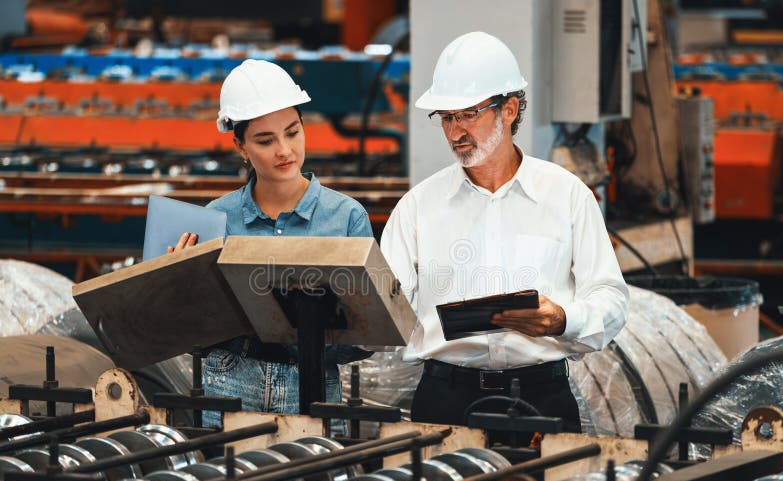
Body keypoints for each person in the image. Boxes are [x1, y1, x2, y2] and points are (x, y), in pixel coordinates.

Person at [380, 32, 629, 434]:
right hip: (445, 398)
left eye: (468, 114)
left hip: (541, 396)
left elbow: (611, 297)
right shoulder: (417, 207)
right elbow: (388, 307)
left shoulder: (566, 196)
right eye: (446, 117)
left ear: (509, 110)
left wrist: (563, 319)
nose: (455, 132)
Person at [170, 59, 373, 427]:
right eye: (265, 140)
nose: (284, 150)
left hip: (313, 382)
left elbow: (368, 331)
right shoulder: (217, 219)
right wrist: (180, 285)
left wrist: (311, 338)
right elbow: (189, 334)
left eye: (292, 133)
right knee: (226, 465)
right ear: (241, 146)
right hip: (230, 380)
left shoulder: (346, 217)